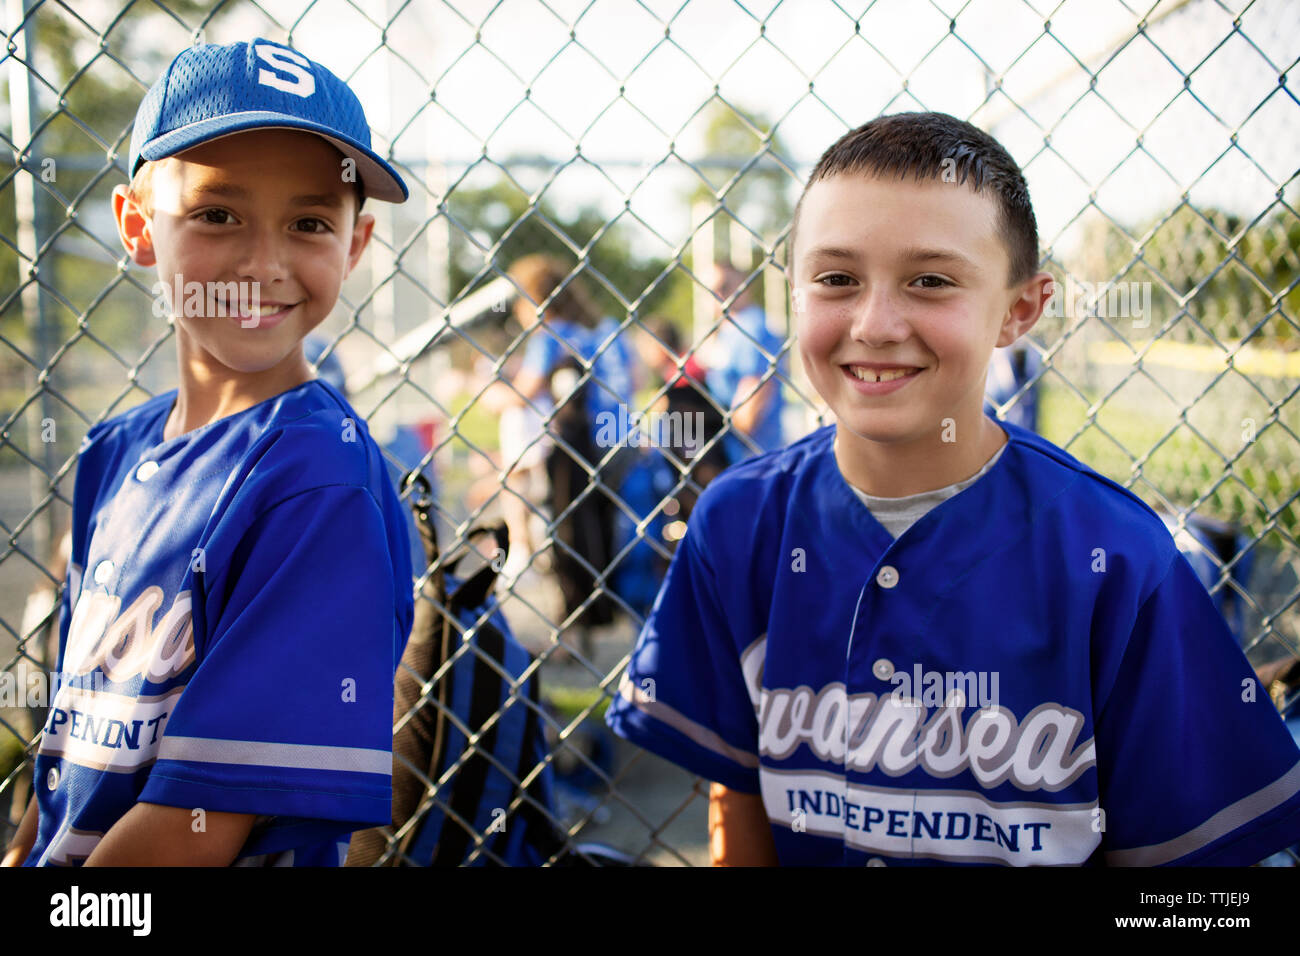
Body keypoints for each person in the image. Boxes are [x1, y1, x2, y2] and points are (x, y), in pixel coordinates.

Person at [605, 111, 1300, 866]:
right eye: (836, 279)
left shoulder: (1118, 557)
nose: (873, 323)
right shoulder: (737, 524)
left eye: (931, 281)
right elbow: (736, 798)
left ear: (1020, 309)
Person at [2, 39, 415, 867]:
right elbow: (66, 754)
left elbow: (200, 827)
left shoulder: (316, 481)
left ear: (356, 244)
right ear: (138, 227)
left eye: (308, 223)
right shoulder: (112, 453)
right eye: (217, 214)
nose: (262, 263)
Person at [703, 262, 786, 465]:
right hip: (734, 452)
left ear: (745, 286)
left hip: (753, 454)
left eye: (724, 287)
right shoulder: (728, 330)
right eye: (710, 290)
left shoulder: (751, 329)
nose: (717, 295)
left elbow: (749, 410)